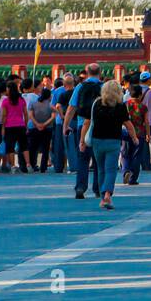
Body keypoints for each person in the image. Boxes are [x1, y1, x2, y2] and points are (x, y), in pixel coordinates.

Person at [81, 80, 137, 210]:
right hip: (113, 141)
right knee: (111, 169)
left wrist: (82, 141)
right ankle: (107, 194)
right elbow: (128, 124)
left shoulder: (96, 104)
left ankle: (102, 197)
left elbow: (87, 123)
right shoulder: (120, 106)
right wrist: (134, 137)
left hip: (97, 141)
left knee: (100, 169)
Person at [64, 63, 104, 199]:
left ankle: (80, 187)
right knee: (99, 158)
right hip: (99, 125)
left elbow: (71, 108)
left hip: (82, 126)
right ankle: (98, 188)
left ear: (86, 72)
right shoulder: (103, 87)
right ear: (100, 72)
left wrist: (65, 125)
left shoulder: (80, 87)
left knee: (83, 157)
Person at [0, 82, 30, 173]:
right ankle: (28, 164)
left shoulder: (6, 101)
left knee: (10, 147)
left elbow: (4, 116)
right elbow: (25, 114)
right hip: (21, 125)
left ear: (9, 89)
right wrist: (26, 125)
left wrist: (3, 128)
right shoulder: (21, 100)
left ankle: (13, 166)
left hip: (9, 127)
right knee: (24, 146)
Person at [122, 84, 147, 184]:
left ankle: (126, 171)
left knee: (125, 154)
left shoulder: (125, 104)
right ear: (140, 95)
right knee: (136, 156)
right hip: (139, 133)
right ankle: (133, 179)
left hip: (126, 132)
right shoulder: (143, 107)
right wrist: (148, 134)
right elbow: (147, 121)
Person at [27, 89, 55, 173]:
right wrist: (44, 124)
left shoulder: (33, 104)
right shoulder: (50, 105)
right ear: (49, 96)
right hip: (47, 129)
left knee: (33, 147)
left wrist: (37, 124)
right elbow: (53, 117)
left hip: (34, 128)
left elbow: (31, 116)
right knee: (45, 148)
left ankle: (32, 165)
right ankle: (43, 167)